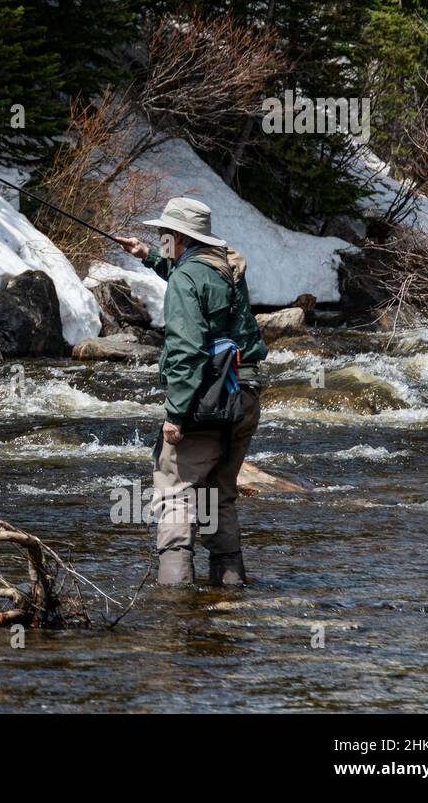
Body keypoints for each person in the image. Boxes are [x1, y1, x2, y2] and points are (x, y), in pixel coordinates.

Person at [116, 197, 267, 586]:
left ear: (179, 237)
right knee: (219, 496)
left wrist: (176, 415)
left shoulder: (185, 279)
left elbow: (186, 350)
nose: (160, 238)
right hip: (245, 394)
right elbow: (197, 282)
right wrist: (146, 255)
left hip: (206, 401)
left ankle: (175, 606)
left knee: (174, 495)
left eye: (164, 234)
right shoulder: (227, 265)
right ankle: (229, 592)